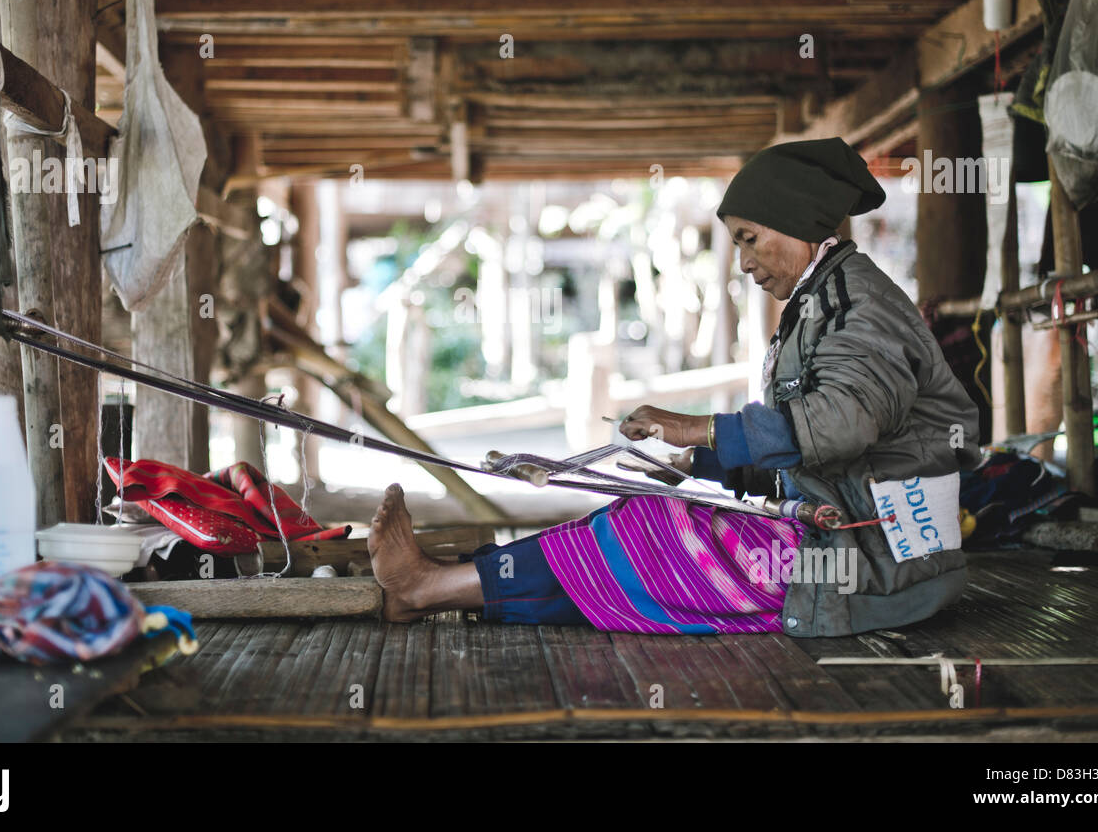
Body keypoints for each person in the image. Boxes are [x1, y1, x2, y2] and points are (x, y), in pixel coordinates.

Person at [368, 138, 981, 637]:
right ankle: (431, 589)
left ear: (796, 223)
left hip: (872, 563)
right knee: (625, 526)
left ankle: (427, 587)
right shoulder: (822, 303)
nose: (743, 262)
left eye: (749, 237)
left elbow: (840, 426)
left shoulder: (857, 308)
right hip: (838, 537)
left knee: (652, 535)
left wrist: (697, 427)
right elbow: (817, 458)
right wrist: (705, 462)